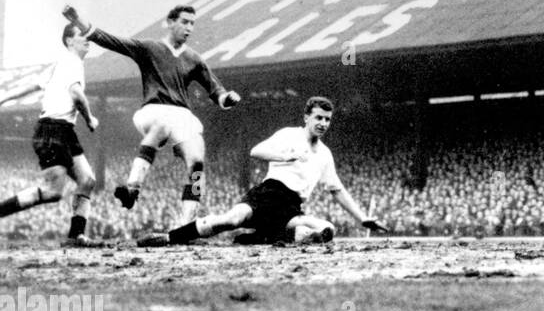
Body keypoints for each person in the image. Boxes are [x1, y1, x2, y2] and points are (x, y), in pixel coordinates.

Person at [61, 3, 240, 224]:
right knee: (161, 125)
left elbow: (216, 91)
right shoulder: (149, 47)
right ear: (170, 23)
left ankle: (185, 223)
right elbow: (108, 39)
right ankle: (132, 187)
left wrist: (227, 98)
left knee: (197, 162)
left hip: (182, 115)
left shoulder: (194, 58)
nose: (189, 28)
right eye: (184, 22)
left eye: (192, 23)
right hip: (154, 109)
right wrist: (78, 19)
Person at [139, 96, 389, 247]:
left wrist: (362, 218)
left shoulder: (324, 154)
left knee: (326, 229)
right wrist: (285, 156)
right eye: (319, 118)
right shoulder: (289, 135)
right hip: (266, 194)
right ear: (306, 117)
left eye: (327, 119)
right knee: (230, 220)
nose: (323, 123)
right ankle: (169, 237)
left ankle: (265, 236)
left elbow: (337, 189)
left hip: (290, 207)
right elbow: (255, 151)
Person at [0, 24, 101, 245]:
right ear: (68, 41)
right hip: (52, 129)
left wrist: (4, 98)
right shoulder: (72, 62)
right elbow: (76, 94)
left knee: (87, 180)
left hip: (64, 130)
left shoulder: (60, 65)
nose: (87, 39)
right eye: (81, 35)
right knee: (54, 192)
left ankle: (76, 237)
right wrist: (90, 118)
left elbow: (33, 87)